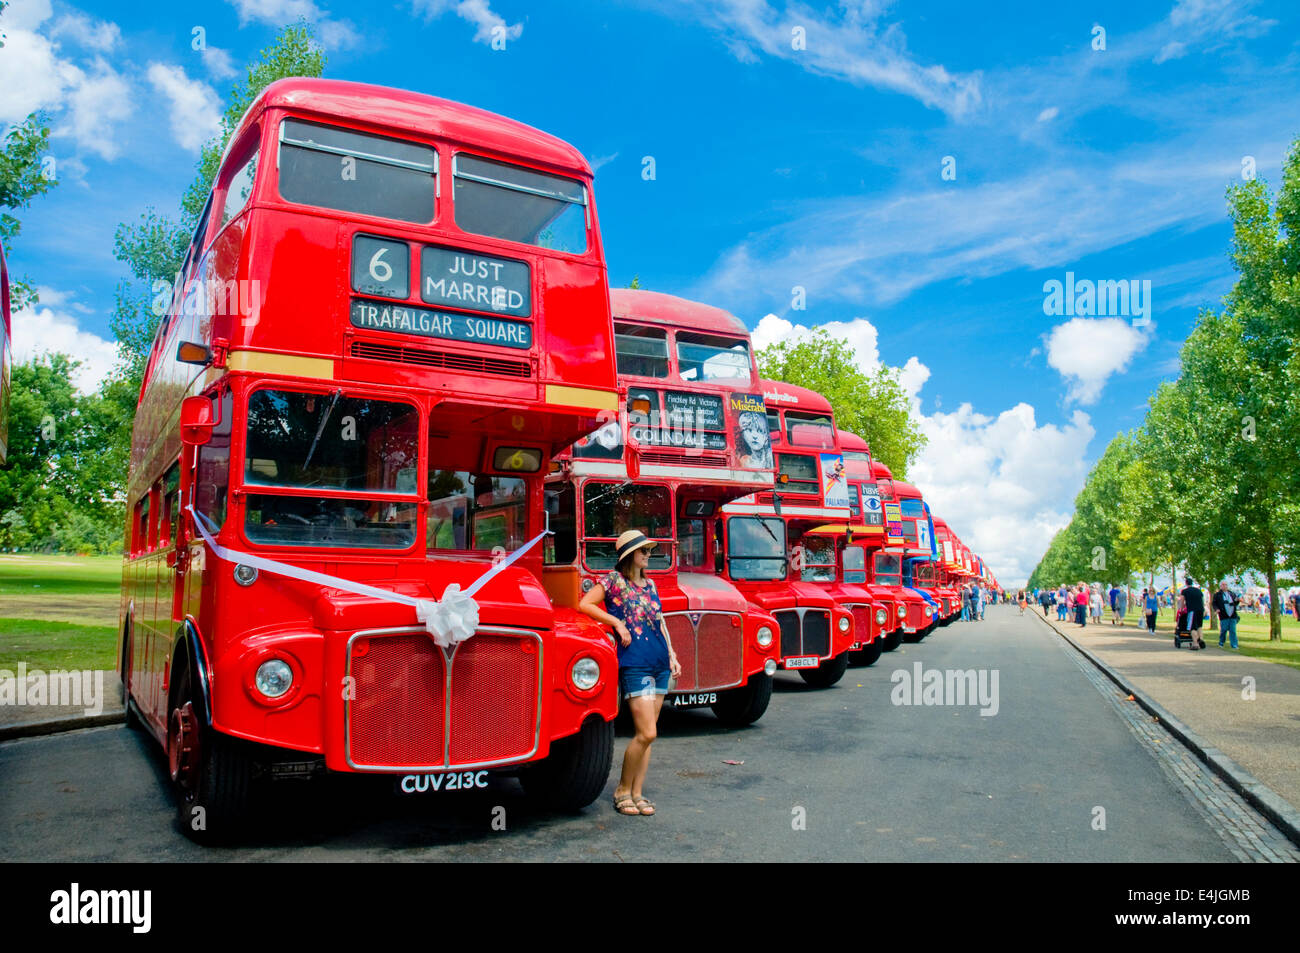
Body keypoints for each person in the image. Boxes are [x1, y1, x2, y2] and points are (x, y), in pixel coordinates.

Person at [578, 530, 682, 817]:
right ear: (629, 555)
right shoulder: (613, 581)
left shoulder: (650, 585)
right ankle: (622, 790)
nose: (649, 555)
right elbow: (584, 604)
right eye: (643, 551)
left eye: (649, 551)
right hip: (635, 663)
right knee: (647, 731)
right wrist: (617, 623)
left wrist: (672, 654)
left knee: (648, 736)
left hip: (659, 662)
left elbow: (660, 622)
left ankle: (637, 793)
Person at [1178, 576, 1206, 650]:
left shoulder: (1184, 591)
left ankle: (1195, 643)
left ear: (1186, 583)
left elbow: (1182, 601)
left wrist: (1181, 609)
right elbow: (1202, 600)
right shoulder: (1198, 590)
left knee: (1192, 627)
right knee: (1199, 626)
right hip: (1200, 609)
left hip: (1192, 610)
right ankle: (1201, 639)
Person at [1212, 581, 1240, 650]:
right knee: (1223, 630)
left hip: (1232, 615)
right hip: (1224, 615)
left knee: (1233, 630)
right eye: (1223, 585)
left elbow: (1236, 602)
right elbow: (1214, 603)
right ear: (1220, 586)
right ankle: (1221, 642)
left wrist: (1237, 600)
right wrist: (1217, 609)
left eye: (1226, 585)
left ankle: (1234, 645)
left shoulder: (1232, 594)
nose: (1224, 586)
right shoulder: (1217, 595)